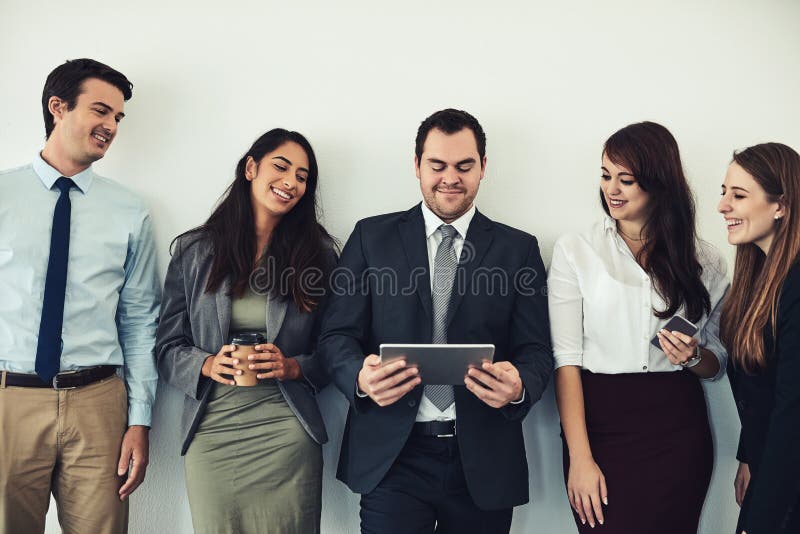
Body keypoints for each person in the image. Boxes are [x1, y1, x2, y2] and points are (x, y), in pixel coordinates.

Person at [318, 108, 553, 533]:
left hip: (483, 458)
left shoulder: (518, 250)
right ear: (417, 165)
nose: (450, 178)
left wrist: (520, 386)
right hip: (393, 457)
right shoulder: (371, 238)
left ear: (483, 166)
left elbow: (536, 350)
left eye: (464, 166)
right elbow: (336, 336)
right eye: (437, 165)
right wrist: (359, 377)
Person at [0, 59, 160, 534]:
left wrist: (140, 419)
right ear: (58, 107)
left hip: (98, 403)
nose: (112, 126)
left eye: (118, 117)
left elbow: (140, 319)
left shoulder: (129, 210)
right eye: (101, 111)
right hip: (9, 401)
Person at [548, 121, 729, 534]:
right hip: (600, 425)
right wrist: (580, 458)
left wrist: (693, 357)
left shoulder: (706, 260)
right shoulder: (576, 250)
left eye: (626, 180)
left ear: (658, 183)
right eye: (605, 175)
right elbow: (566, 360)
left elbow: (717, 364)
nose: (611, 189)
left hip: (678, 427)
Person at [155, 128, 336, 534]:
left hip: (286, 430)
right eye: (281, 167)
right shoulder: (194, 251)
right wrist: (206, 364)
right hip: (212, 429)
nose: (291, 182)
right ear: (251, 168)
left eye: (302, 177)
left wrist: (293, 367)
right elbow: (166, 346)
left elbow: (337, 348)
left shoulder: (318, 255)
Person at [718, 142, 800, 534]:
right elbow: (761, 389)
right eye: (724, 192)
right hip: (771, 470)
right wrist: (749, 455)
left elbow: (793, 412)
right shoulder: (759, 279)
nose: (722, 206)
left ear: (780, 205)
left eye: (738, 195)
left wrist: (762, 518)